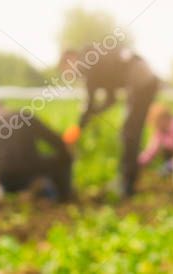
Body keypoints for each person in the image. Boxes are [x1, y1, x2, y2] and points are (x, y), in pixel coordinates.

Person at [59, 46, 160, 196]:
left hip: (140, 79)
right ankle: (128, 180)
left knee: (129, 131)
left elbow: (90, 103)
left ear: (71, 58)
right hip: (145, 80)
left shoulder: (86, 62)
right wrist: (93, 114)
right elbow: (111, 99)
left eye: (67, 69)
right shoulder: (98, 63)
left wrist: (77, 129)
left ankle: (127, 185)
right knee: (131, 131)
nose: (71, 74)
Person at [0, 100, 75, 202]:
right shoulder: (24, 117)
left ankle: (4, 191)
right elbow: (53, 139)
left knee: (0, 172)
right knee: (64, 158)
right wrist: (66, 154)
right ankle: (64, 197)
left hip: (3, 178)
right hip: (31, 172)